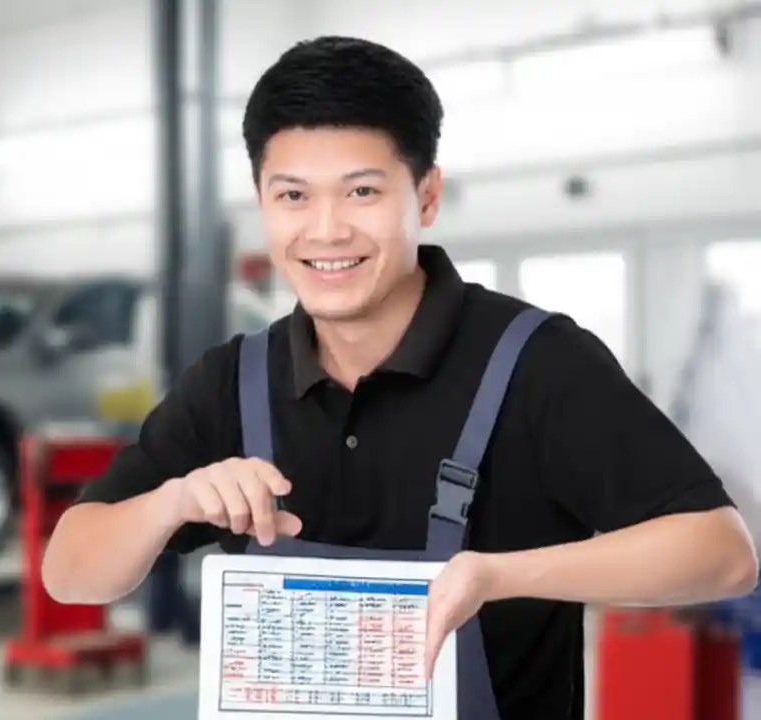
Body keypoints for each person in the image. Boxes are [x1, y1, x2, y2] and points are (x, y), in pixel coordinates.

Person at [41, 35, 757, 719]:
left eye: (361, 193)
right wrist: (172, 500)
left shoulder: (535, 363)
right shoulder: (232, 382)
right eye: (293, 196)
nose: (325, 231)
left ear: (426, 196)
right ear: (262, 202)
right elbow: (71, 573)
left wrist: (500, 577)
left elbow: (722, 554)